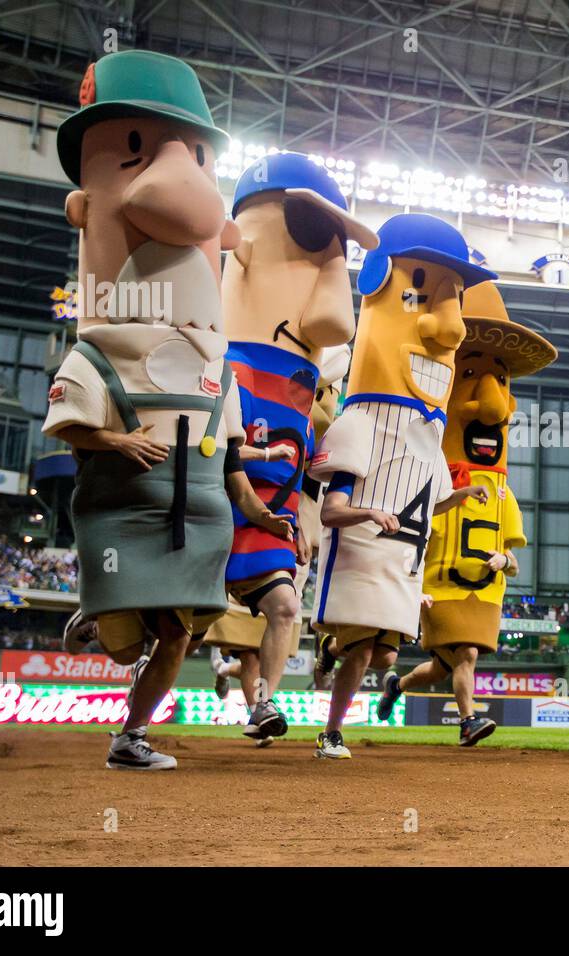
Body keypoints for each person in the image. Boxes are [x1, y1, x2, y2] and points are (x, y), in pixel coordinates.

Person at [43, 50, 286, 771]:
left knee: (179, 638)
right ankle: (101, 601)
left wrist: (257, 510)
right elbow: (70, 426)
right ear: (85, 208)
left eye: (199, 158)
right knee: (135, 603)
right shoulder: (101, 346)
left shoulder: (220, 367)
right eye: (139, 149)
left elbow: (233, 459)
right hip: (125, 507)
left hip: (195, 520)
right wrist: (118, 444)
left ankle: (128, 737)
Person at [201, 152, 376, 744]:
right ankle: (127, 645)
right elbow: (207, 453)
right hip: (203, 517)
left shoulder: (307, 400)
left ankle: (265, 705)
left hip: (266, 525)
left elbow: (299, 471)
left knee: (283, 609)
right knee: (182, 622)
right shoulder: (218, 373)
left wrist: (298, 518)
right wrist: (259, 461)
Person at [307, 213, 495, 760]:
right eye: (420, 296)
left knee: (385, 658)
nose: (451, 329)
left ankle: (331, 646)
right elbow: (332, 510)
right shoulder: (360, 421)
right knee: (365, 654)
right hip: (366, 552)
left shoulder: (427, 435)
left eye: (454, 301)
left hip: (405, 561)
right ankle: (332, 733)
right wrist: (369, 516)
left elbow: (432, 502)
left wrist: (464, 495)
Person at [373, 280, 557, 746]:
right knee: (468, 656)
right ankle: (467, 721)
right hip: (440, 586)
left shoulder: (503, 495)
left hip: (486, 592)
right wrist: (411, 588)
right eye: (471, 372)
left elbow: (513, 558)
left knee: (444, 666)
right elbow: (410, 534)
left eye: (501, 378)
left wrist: (504, 562)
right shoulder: (431, 477)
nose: (493, 403)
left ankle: (397, 685)